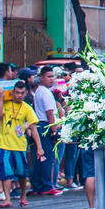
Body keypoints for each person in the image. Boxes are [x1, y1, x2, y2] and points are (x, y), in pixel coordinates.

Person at [0, 79, 44, 208]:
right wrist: (0, 100)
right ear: (13, 92)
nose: (19, 95)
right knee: (6, 171)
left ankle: (23, 195)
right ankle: (8, 199)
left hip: (19, 145)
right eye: (16, 92)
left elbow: (33, 128)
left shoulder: (27, 108)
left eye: (21, 93)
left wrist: (39, 147)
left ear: (26, 93)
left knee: (22, 173)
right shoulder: (5, 103)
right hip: (3, 144)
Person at [31, 67, 63, 197]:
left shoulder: (40, 91)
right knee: (48, 158)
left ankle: (38, 186)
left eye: (52, 77)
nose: (51, 79)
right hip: (46, 125)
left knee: (40, 158)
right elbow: (50, 113)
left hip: (40, 126)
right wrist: (54, 131)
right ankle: (46, 186)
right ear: (41, 78)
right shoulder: (45, 92)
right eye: (48, 77)